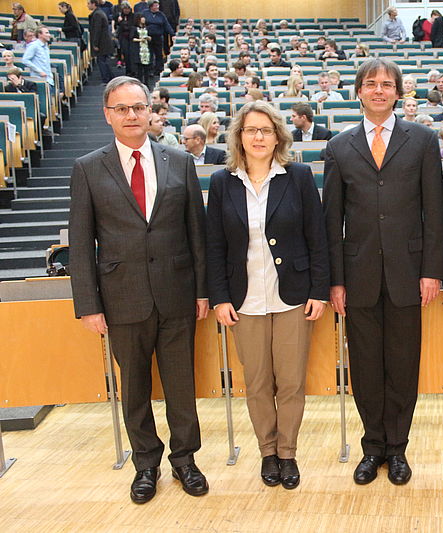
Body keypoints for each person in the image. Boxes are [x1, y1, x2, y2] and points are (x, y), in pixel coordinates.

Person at [69, 76, 209, 504]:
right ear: (108, 114)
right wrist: (89, 305)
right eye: (122, 109)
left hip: (177, 293)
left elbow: (196, 234)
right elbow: (80, 242)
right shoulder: (88, 168)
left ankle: (185, 459)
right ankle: (146, 463)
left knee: (180, 383)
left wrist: (202, 291)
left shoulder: (179, 162)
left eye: (138, 107)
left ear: (151, 111)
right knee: (134, 387)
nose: (131, 115)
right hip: (121, 297)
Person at [323, 58, 443, 487]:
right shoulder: (339, 146)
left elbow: (436, 211)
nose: (379, 90)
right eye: (371, 84)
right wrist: (335, 280)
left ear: (398, 92)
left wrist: (432, 270)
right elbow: (330, 220)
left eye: (387, 84)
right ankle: (372, 445)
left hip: (408, 273)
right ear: (358, 91)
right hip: (356, 277)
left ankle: (398, 448)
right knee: (366, 366)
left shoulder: (424, 140)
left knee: (402, 363)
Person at [206, 101, 328, 490]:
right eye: (250, 130)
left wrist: (319, 291)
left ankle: (288, 454)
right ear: (238, 137)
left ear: (279, 136)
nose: (258, 137)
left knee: (290, 382)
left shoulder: (299, 176)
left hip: (292, 297)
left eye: (266, 130)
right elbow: (214, 247)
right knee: (257, 382)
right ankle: (268, 452)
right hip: (244, 302)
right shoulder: (223, 181)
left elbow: (318, 238)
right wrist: (219, 297)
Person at [142, 0, 174, 76]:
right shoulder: (145, 13)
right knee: (149, 54)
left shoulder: (161, 14)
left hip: (158, 36)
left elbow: (167, 25)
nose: (157, 7)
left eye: (158, 5)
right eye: (156, 5)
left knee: (159, 54)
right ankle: (149, 70)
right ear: (151, 6)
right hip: (148, 37)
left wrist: (172, 34)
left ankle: (158, 70)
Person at [88, 0, 116, 84]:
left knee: (102, 61)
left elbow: (97, 30)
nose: (87, 6)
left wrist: (95, 44)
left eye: (88, 4)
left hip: (102, 43)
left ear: (93, 4)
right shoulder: (99, 13)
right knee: (104, 61)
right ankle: (110, 78)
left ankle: (106, 79)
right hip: (104, 42)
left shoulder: (97, 14)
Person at [132, 14, 151, 86]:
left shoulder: (147, 28)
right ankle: (140, 83)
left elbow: (150, 36)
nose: (144, 19)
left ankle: (146, 83)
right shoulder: (134, 28)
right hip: (139, 49)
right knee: (139, 69)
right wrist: (140, 39)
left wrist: (149, 38)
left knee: (146, 68)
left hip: (146, 49)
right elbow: (132, 38)